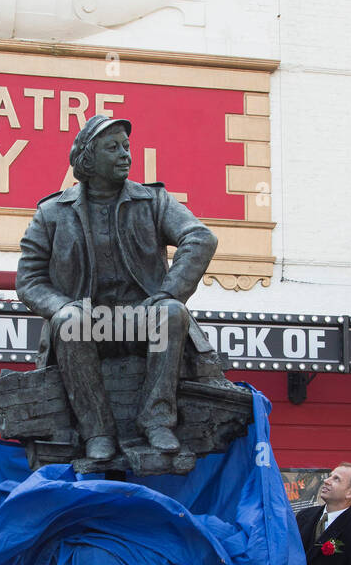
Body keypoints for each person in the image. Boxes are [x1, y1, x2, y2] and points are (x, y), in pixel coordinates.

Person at [16, 114, 218, 461]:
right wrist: (62, 306)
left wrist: (170, 292)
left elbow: (200, 237)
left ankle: (157, 421)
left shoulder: (154, 201)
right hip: (88, 323)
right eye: (113, 148)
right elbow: (29, 280)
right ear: (87, 159)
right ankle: (97, 431)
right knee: (68, 322)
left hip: (140, 318)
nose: (125, 154)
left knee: (171, 313)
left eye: (126, 146)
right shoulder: (52, 213)